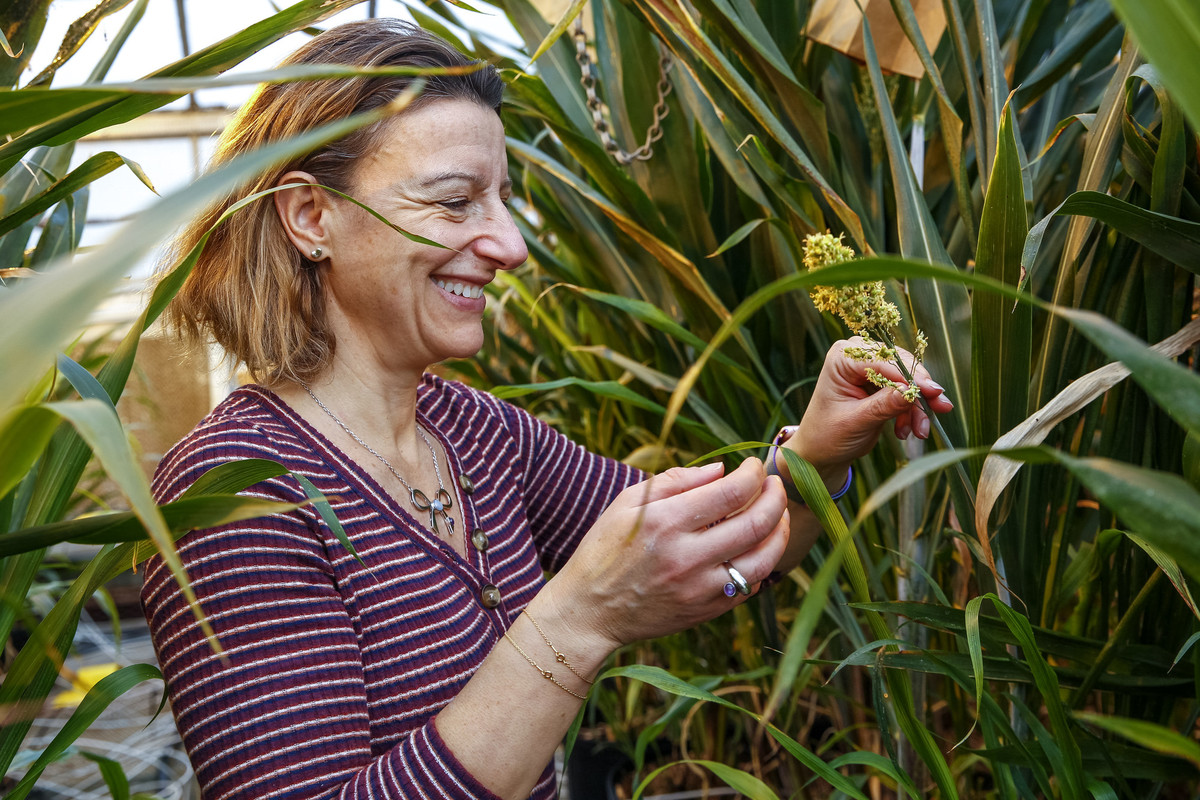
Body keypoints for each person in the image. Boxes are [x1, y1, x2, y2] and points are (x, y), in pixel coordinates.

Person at [141, 18, 953, 800]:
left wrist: (818, 453)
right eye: (455, 202)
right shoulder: (232, 492)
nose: (510, 245)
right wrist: (576, 622)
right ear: (310, 216)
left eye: (502, 199)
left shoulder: (475, 431)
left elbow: (701, 549)